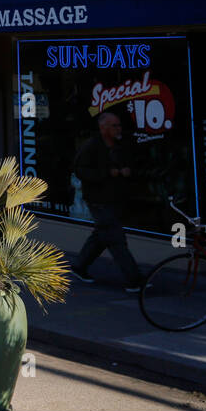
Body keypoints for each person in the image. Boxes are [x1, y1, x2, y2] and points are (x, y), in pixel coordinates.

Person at [71, 110, 144, 291]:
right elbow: (80, 170)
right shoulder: (91, 145)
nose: (118, 129)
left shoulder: (120, 144)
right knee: (115, 238)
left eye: (119, 125)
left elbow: (131, 163)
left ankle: (79, 266)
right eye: (114, 125)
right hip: (98, 199)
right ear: (103, 128)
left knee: (102, 235)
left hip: (115, 198)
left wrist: (127, 170)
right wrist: (105, 174)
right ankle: (134, 280)